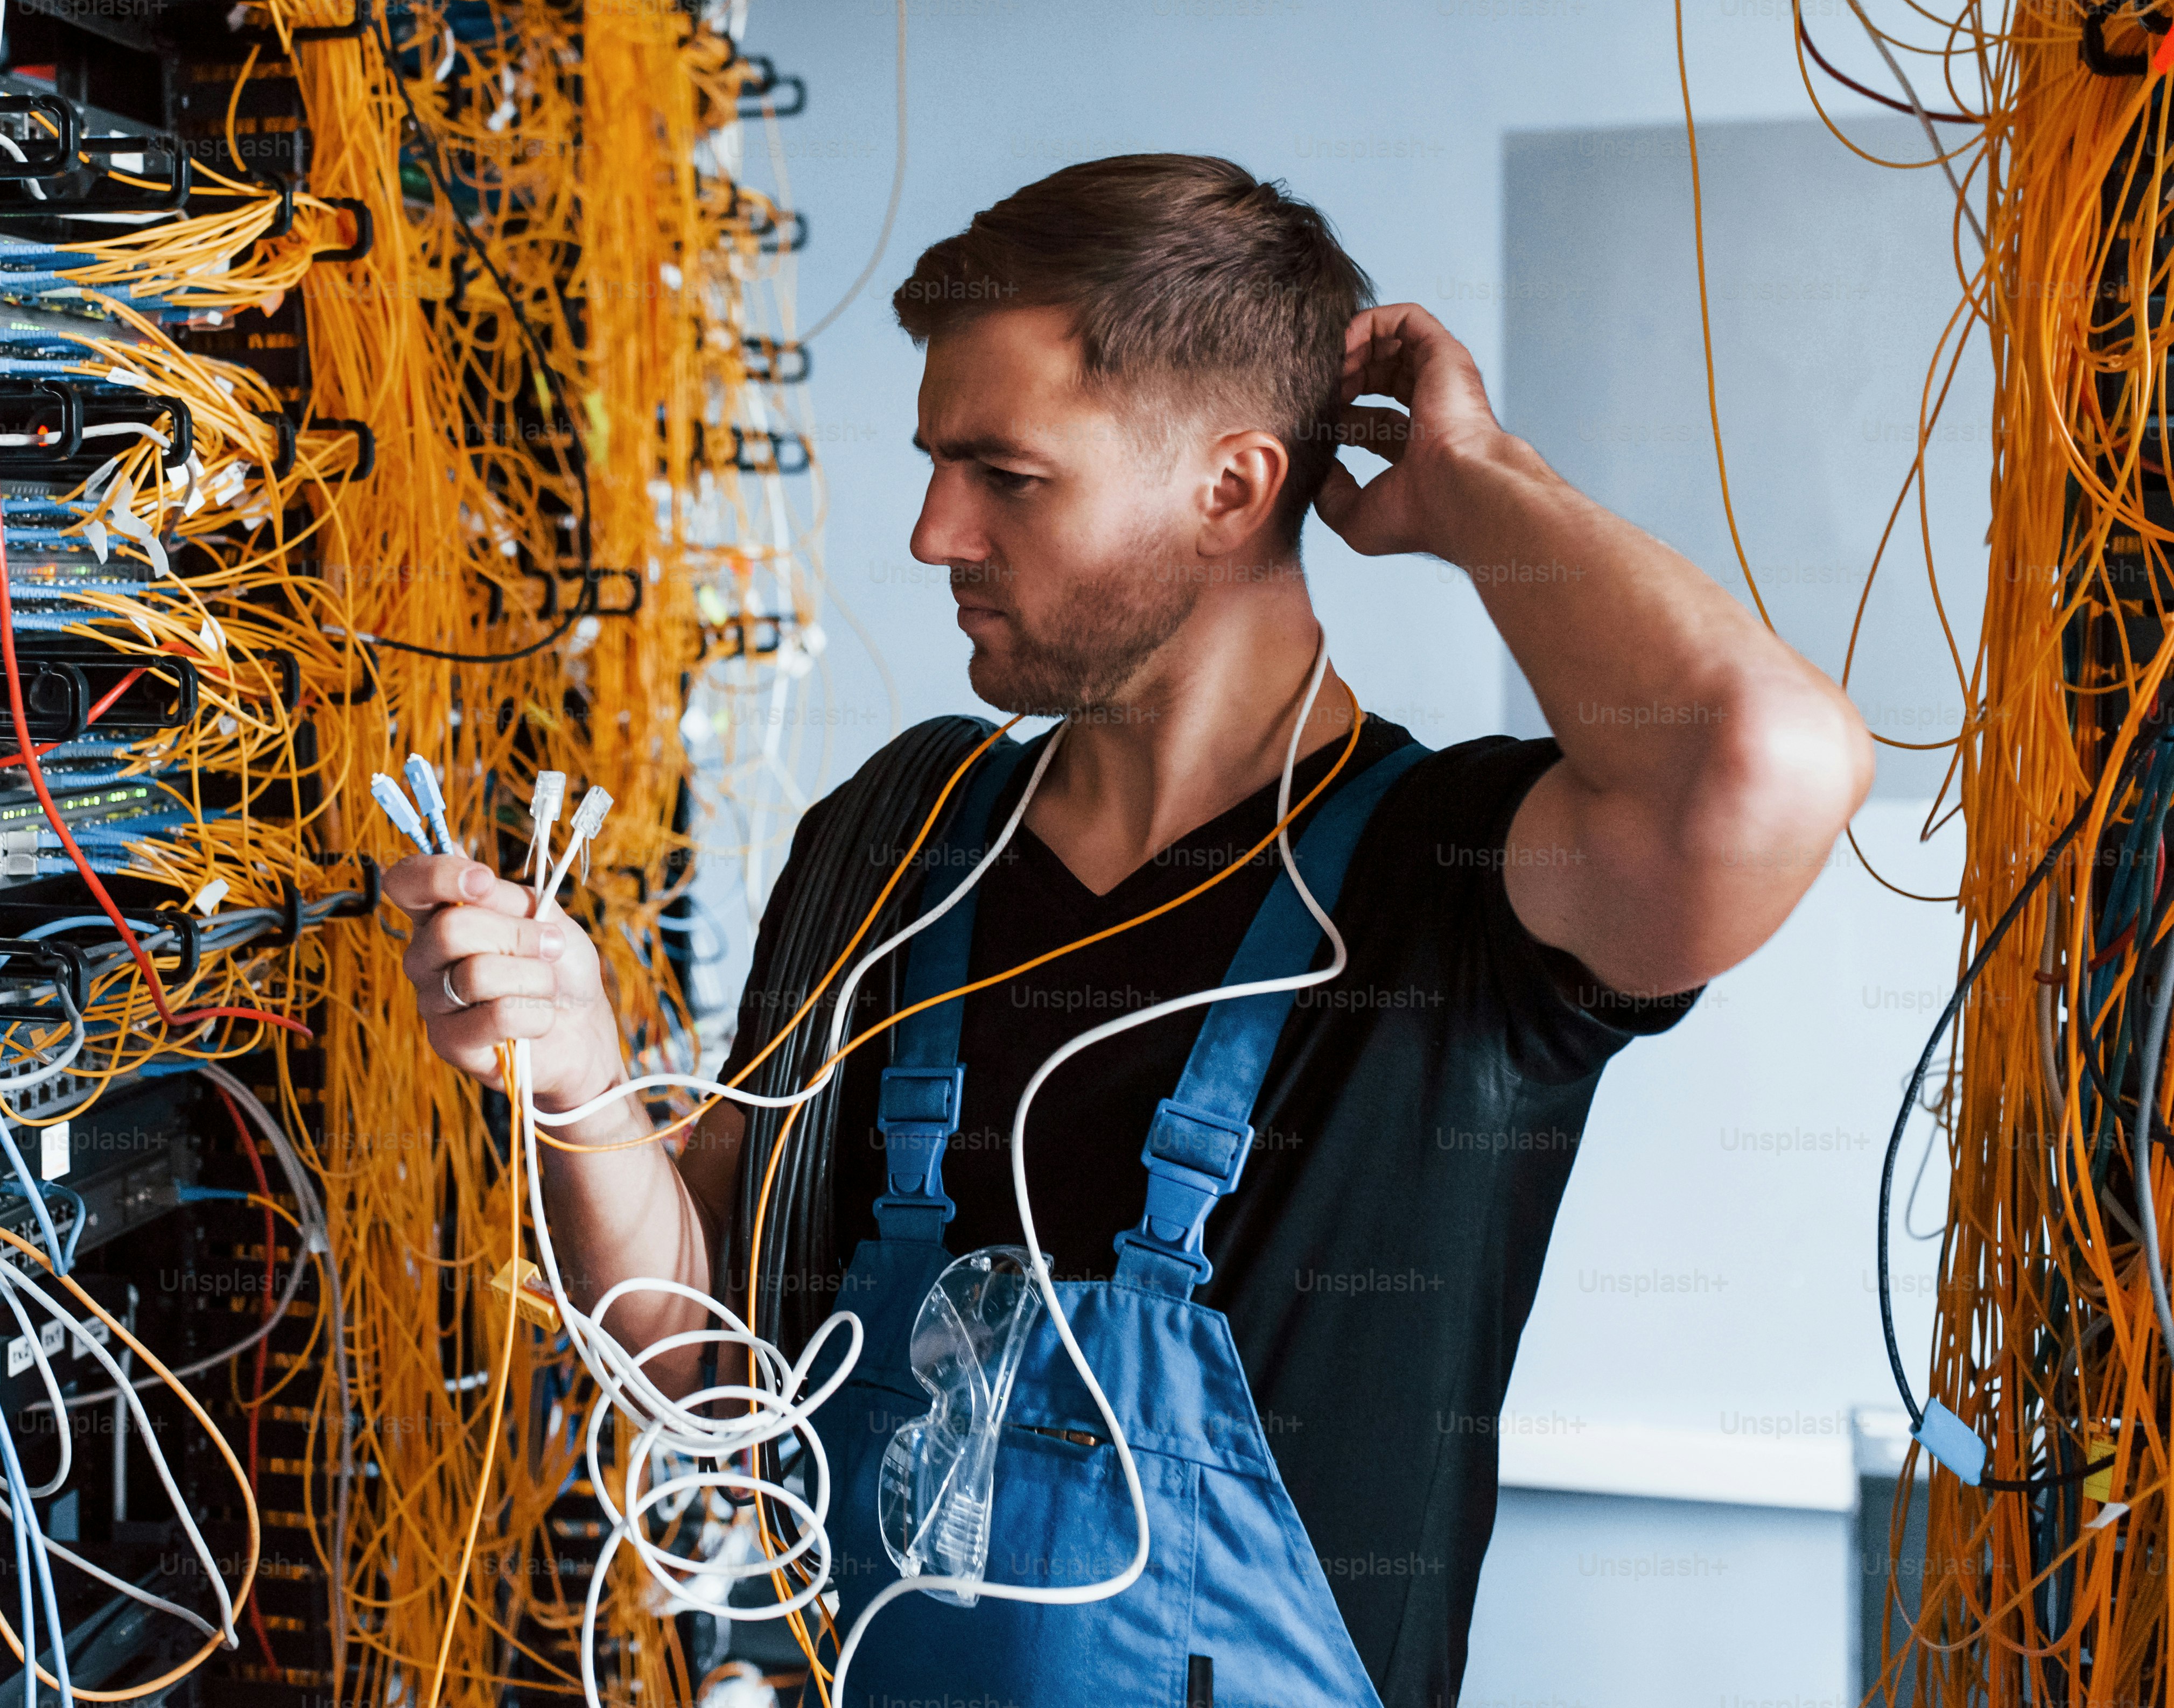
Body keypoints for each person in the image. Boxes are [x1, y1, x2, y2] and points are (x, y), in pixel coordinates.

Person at [381, 155, 1870, 1708]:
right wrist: (573, 1078)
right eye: (934, 464)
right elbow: (698, 1351)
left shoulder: (1457, 882)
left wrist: (1478, 481)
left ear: (1231, 489)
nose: (933, 534)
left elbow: (1771, 765)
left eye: (1004, 476)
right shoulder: (896, 844)